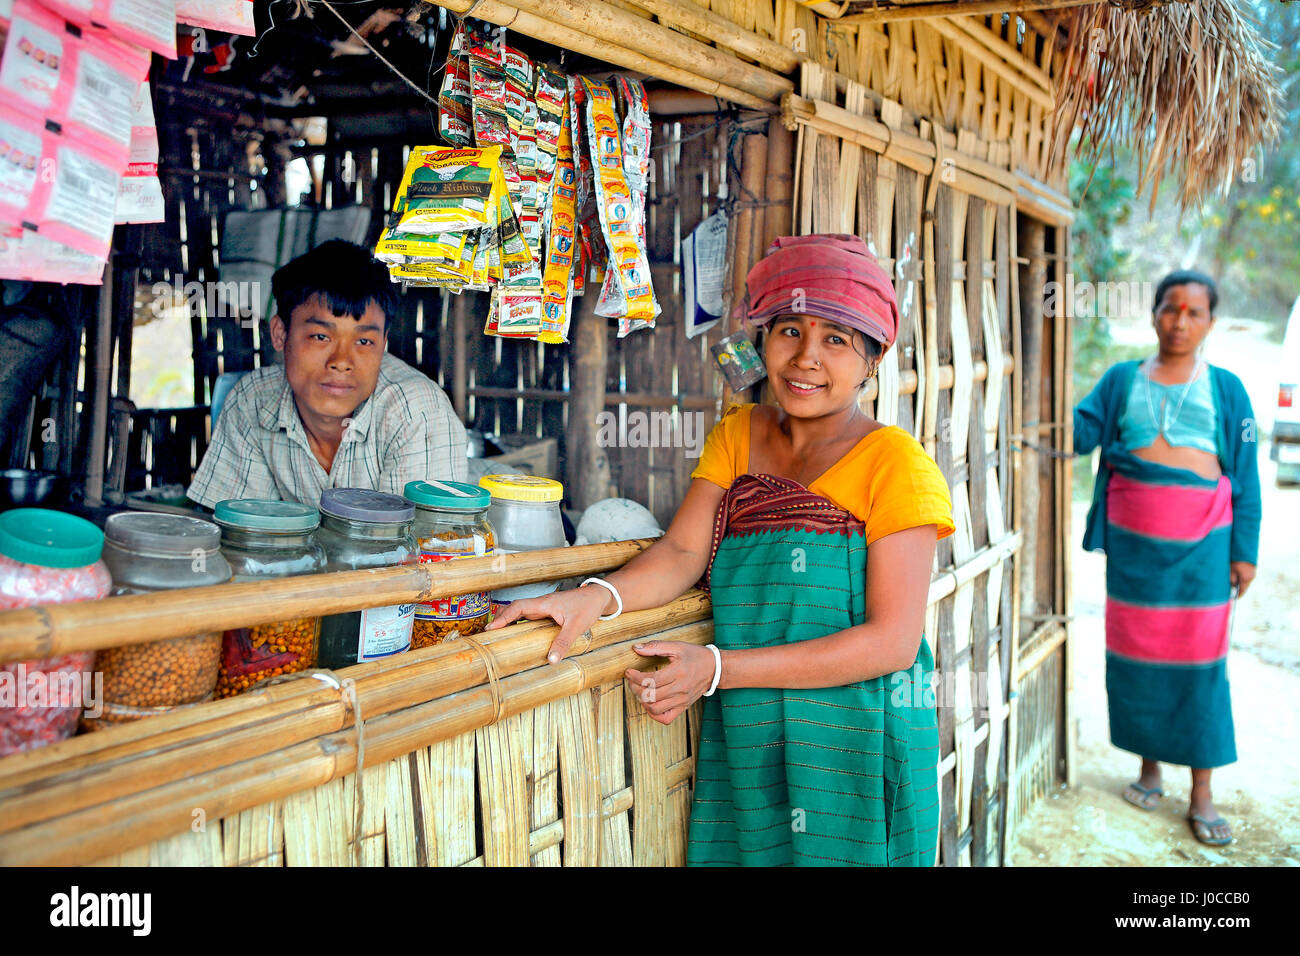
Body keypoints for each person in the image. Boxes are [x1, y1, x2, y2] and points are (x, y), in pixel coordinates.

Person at [488, 234, 955, 866]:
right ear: (763, 340)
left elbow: (892, 642)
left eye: (836, 339)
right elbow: (683, 552)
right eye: (789, 330)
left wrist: (717, 670)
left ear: (871, 360)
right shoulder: (738, 436)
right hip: (754, 732)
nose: (806, 358)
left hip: (855, 741)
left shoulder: (897, 465)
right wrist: (592, 599)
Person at [1073, 269, 1261, 848]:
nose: (1180, 321)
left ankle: (1201, 791)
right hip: (1135, 556)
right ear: (1154, 313)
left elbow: (1245, 476)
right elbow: (1080, 434)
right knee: (1139, 660)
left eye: (1194, 312)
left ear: (1210, 322)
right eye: (1170, 308)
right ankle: (1149, 768)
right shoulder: (1121, 379)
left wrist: (1244, 552)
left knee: (1202, 665)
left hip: (1203, 553)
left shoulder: (1228, 389)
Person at [187, 240, 467, 509]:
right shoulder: (254, 402)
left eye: (364, 342)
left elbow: (424, 550)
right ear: (280, 334)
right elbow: (246, 533)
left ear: (383, 344)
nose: (341, 362)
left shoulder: (415, 411)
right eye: (321, 336)